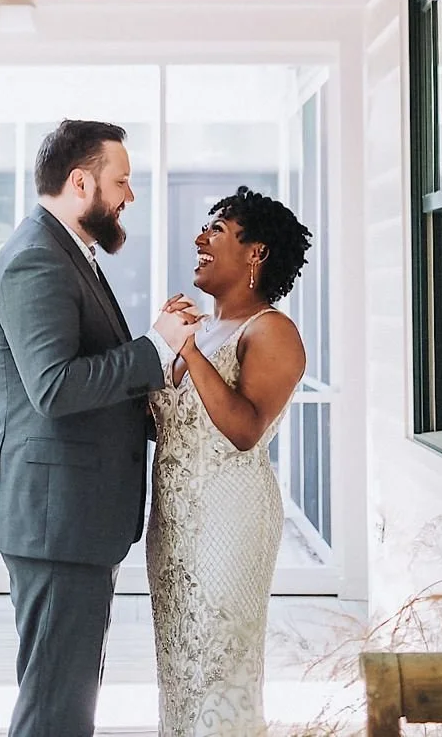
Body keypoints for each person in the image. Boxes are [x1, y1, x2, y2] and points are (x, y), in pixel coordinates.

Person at [0, 120, 202, 737]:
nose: (129, 195)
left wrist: (157, 356)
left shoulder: (67, 251)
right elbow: (55, 389)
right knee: (55, 702)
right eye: (121, 181)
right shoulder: (35, 261)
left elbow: (85, 371)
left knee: (66, 694)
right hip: (55, 521)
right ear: (82, 182)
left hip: (69, 519)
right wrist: (153, 348)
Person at [146, 185, 312, 737]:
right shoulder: (199, 329)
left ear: (256, 253)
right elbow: (165, 426)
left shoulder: (272, 331)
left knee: (219, 668)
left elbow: (244, 429)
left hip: (229, 523)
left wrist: (188, 354)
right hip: (172, 525)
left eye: (216, 230)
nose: (199, 237)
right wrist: (161, 345)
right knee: (181, 669)